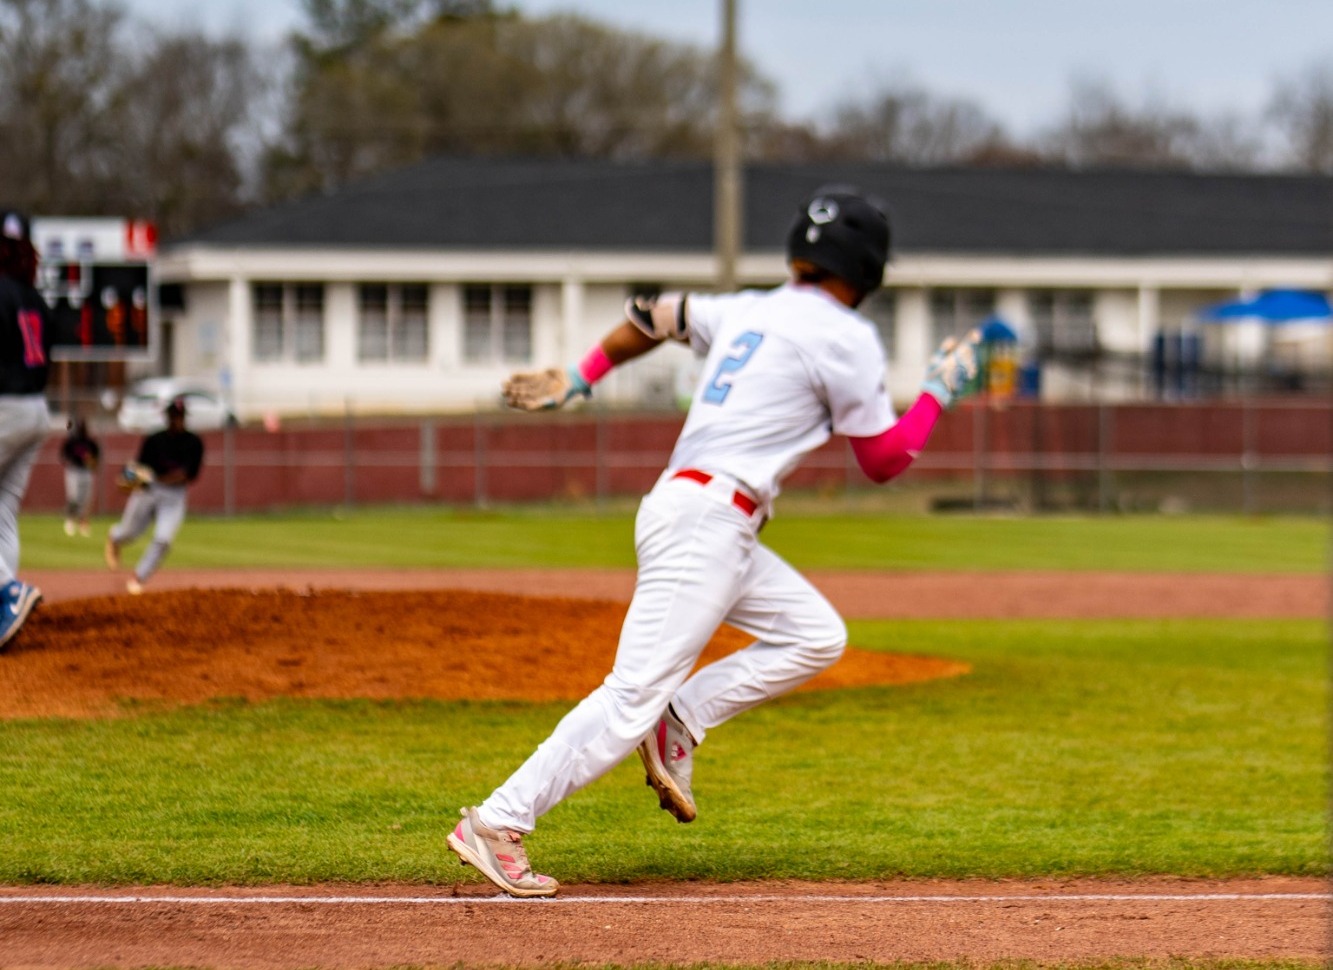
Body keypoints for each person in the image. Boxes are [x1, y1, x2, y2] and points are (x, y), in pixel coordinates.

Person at [445, 185, 981, 897]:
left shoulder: (748, 307)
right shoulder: (844, 336)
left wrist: (584, 374)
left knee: (813, 635)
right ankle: (498, 820)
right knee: (630, 692)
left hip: (703, 513)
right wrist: (938, 392)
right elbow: (882, 462)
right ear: (867, 267)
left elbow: (654, 314)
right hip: (706, 520)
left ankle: (682, 719)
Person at [0, 209, 53, 651]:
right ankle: (6, 612)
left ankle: (6, 592)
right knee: (3, 510)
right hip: (36, 408)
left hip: (4, 406)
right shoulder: (32, 297)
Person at [104, 396, 204, 595]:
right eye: (173, 415)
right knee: (130, 533)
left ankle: (138, 577)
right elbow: (139, 468)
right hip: (149, 491)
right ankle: (115, 538)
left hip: (174, 496)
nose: (177, 419)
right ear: (167, 417)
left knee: (163, 540)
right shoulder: (154, 440)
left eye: (180, 416)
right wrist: (129, 478)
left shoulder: (194, 443)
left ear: (184, 417)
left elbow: (187, 475)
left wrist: (159, 478)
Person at [60, 418, 101, 537]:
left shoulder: (90, 443)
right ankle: (70, 520)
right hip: (74, 471)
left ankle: (83, 522)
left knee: (86, 498)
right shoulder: (72, 442)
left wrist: (91, 462)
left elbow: (96, 458)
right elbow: (64, 455)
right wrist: (70, 462)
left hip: (86, 471)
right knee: (74, 497)